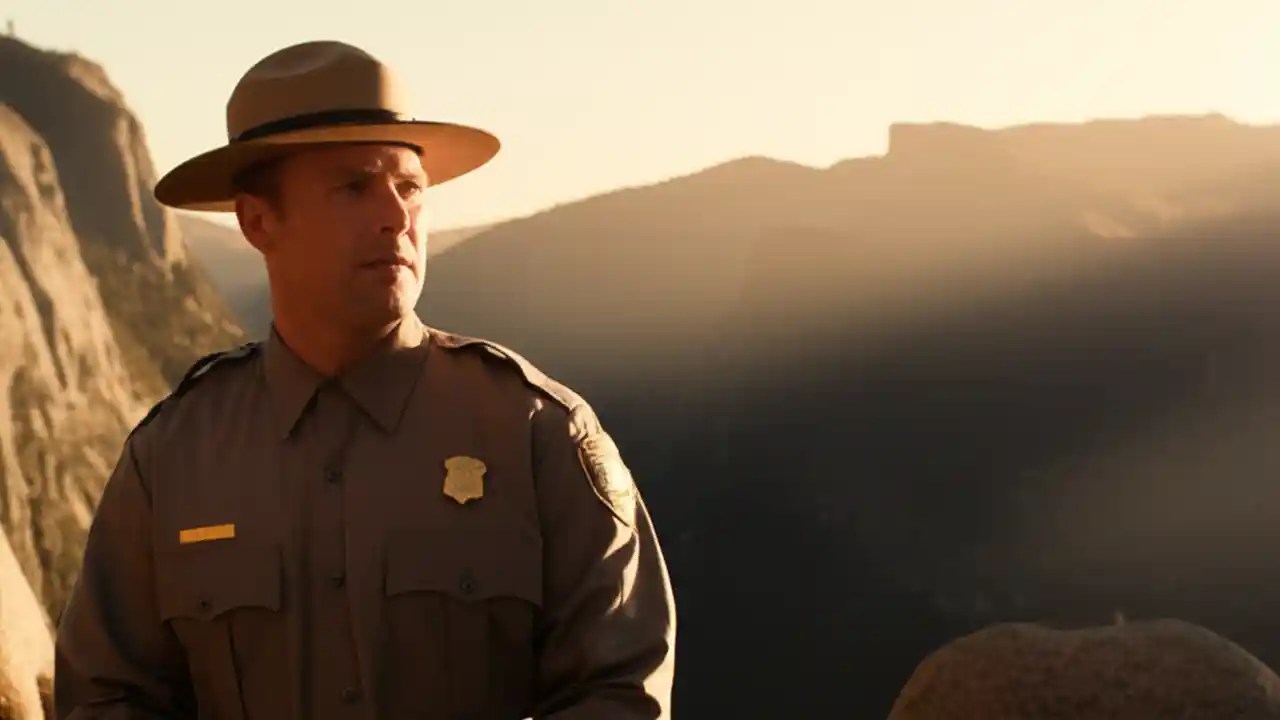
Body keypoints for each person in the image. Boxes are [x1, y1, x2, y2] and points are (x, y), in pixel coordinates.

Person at [53, 40, 676, 719]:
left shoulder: (535, 433)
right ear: (258, 221)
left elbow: (619, 689)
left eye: (410, 188)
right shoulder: (173, 458)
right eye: (354, 187)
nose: (396, 216)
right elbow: (107, 695)